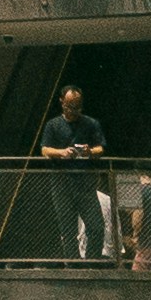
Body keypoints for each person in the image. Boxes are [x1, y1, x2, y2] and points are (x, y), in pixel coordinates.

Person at [35, 85, 110, 261]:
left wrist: (89, 151)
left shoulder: (91, 124)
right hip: (61, 184)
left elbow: (101, 148)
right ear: (62, 102)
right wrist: (62, 153)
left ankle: (91, 262)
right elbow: (44, 150)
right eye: (70, 106)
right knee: (67, 230)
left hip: (85, 184)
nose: (74, 111)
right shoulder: (53, 125)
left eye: (77, 107)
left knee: (96, 227)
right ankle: (73, 264)